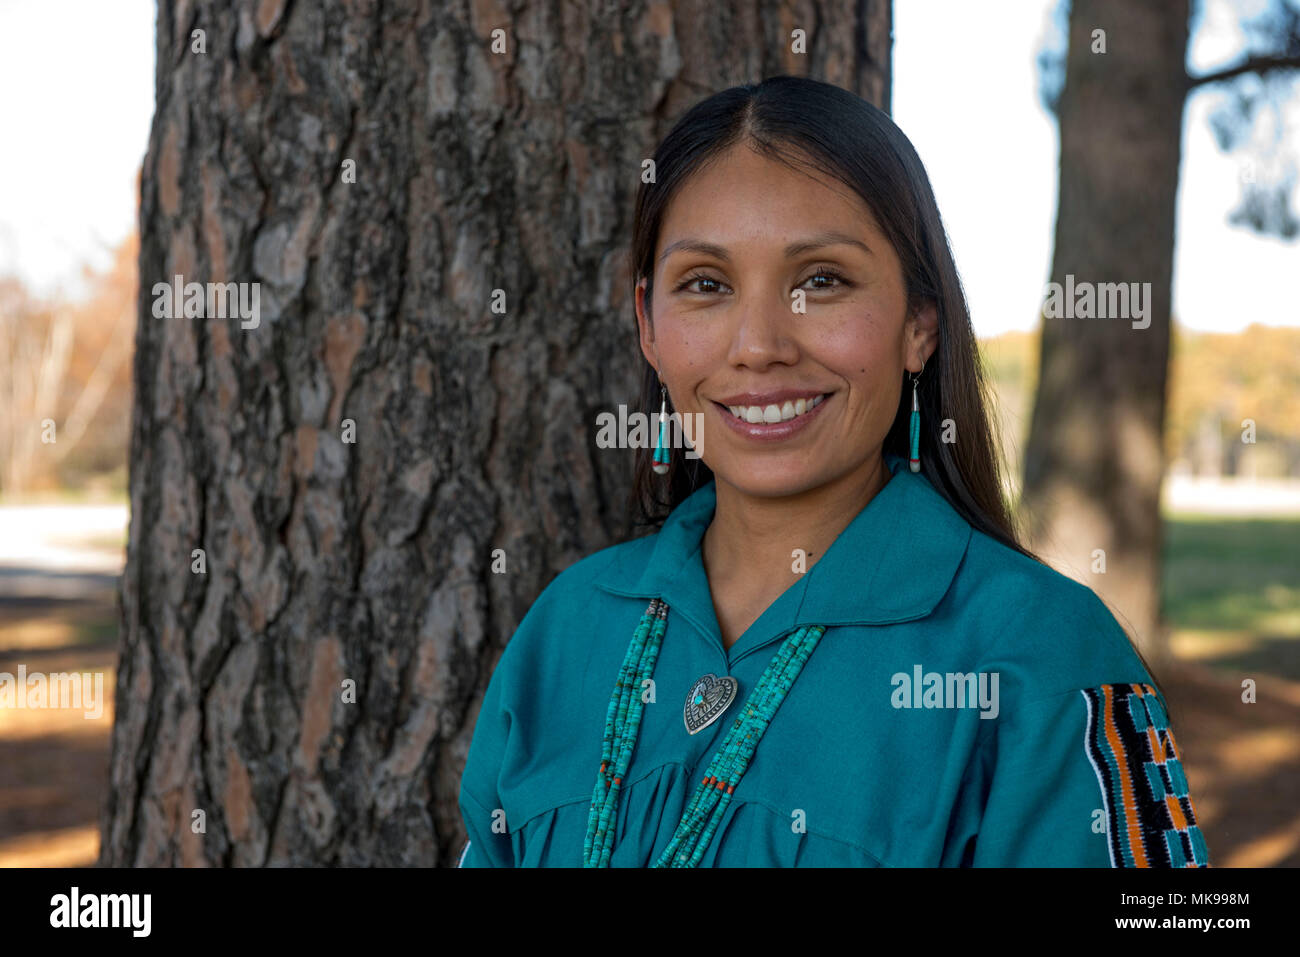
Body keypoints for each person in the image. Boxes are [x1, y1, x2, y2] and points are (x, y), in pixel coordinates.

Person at [456, 75, 1209, 867]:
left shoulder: (1042, 658)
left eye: (822, 280)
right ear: (648, 323)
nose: (759, 343)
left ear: (920, 324)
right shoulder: (565, 628)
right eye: (706, 285)